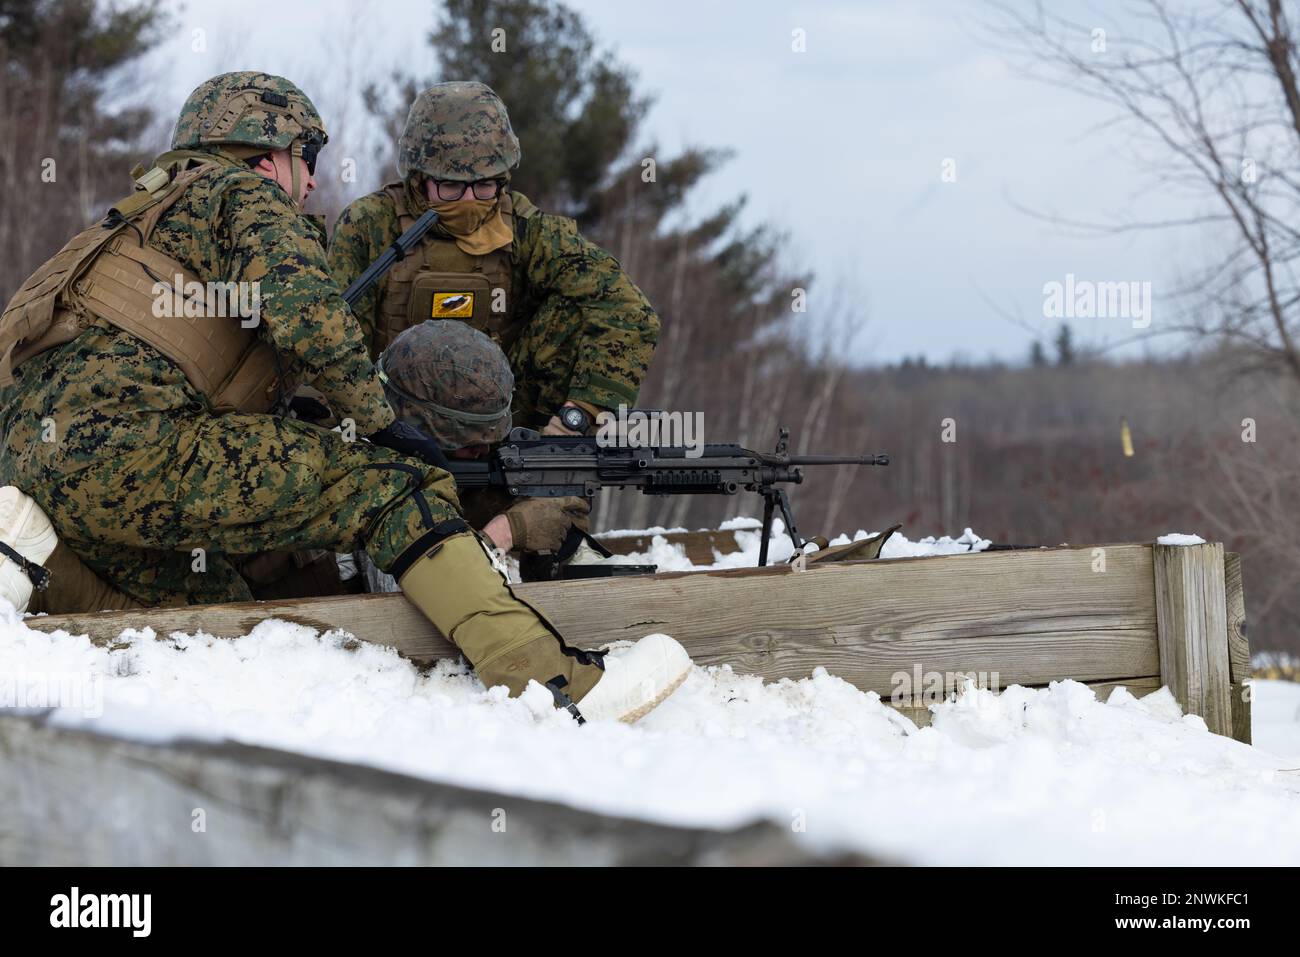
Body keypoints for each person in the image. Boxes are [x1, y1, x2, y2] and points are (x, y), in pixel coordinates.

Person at [0, 71, 689, 723]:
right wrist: (384, 427)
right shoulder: (239, 195)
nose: (311, 185)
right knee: (388, 485)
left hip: (44, 462)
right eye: (307, 161)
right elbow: (310, 313)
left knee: (213, 600)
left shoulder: (130, 219)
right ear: (269, 157)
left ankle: (34, 556)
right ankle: (557, 682)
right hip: (134, 450)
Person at [328, 81, 659, 441]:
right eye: (450, 186)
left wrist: (582, 413)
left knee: (580, 303)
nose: (469, 199)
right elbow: (333, 344)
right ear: (419, 178)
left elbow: (626, 309)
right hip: (389, 429)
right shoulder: (370, 224)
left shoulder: (527, 231)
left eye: (484, 185)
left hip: (503, 430)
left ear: (502, 180)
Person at [377, 319, 590, 559]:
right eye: (467, 442)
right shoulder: (355, 478)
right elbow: (424, 583)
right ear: (414, 428)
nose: (485, 449)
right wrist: (501, 535)